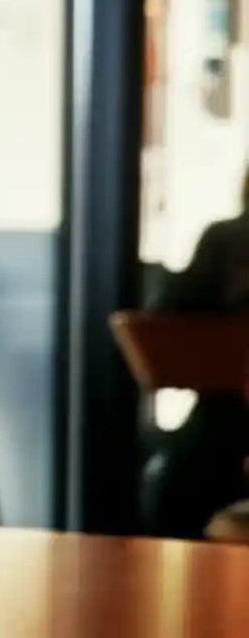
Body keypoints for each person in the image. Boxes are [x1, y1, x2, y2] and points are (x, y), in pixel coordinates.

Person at [141, 168, 249, 538]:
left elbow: (167, 312)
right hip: (227, 416)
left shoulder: (227, 238)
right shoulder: (228, 239)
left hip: (225, 418)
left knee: (173, 497)